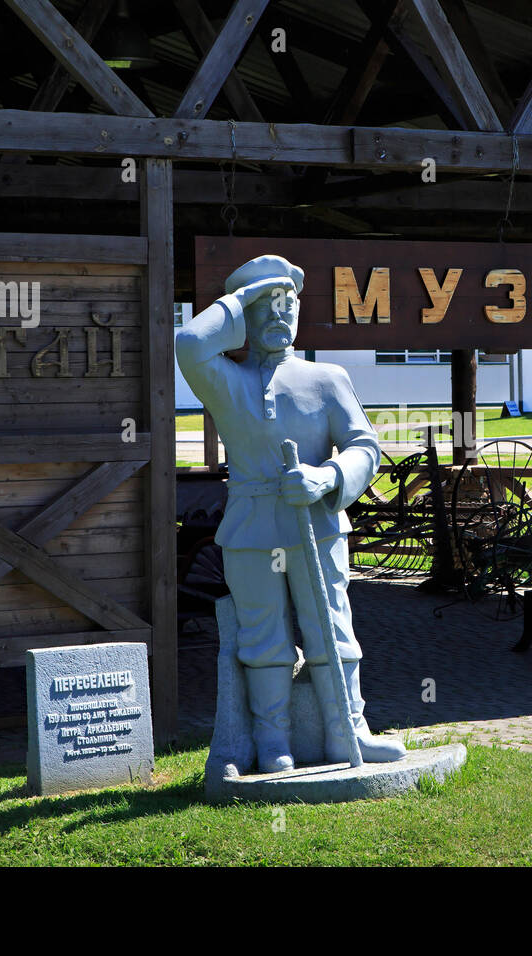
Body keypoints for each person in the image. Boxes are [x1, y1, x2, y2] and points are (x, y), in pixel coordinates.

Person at [175, 254, 405, 773]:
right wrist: (238, 301)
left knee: (331, 630)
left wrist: (328, 477)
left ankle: (352, 733)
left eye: (288, 305)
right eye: (266, 306)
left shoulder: (327, 378)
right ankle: (271, 742)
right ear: (244, 319)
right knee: (264, 637)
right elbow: (189, 343)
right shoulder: (225, 381)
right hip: (253, 528)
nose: (279, 315)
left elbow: (364, 447)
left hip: (317, 524)